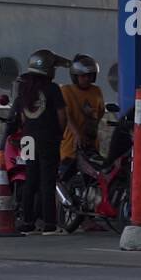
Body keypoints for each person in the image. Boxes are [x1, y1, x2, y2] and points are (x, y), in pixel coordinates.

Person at [4, 49, 69, 236]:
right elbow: (62, 115)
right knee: (47, 181)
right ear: (48, 69)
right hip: (48, 138)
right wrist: (59, 133)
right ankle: (49, 224)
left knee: (30, 179)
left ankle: (27, 222)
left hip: (28, 139)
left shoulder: (24, 88)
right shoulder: (53, 89)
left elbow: (23, 117)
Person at [59, 54, 106, 231]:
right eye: (83, 75)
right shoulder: (66, 91)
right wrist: (76, 133)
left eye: (89, 75)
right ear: (75, 76)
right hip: (70, 145)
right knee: (65, 180)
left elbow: (99, 114)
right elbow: (66, 115)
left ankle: (88, 219)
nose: (86, 79)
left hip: (91, 145)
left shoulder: (97, 92)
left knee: (91, 183)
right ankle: (60, 216)